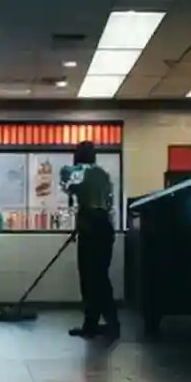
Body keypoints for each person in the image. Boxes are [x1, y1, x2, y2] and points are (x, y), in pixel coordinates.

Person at [64, 140, 118, 339]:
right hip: (104, 226)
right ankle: (101, 323)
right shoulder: (103, 174)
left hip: (91, 227)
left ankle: (100, 324)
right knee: (100, 277)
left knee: (90, 279)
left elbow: (71, 190)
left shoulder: (81, 174)